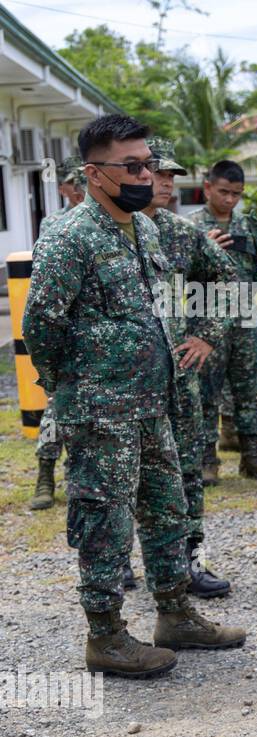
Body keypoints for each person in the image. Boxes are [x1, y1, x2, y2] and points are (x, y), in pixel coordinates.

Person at [24, 114, 247, 678]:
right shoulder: (70, 237)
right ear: (94, 173)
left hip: (158, 406)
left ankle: (174, 614)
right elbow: (41, 326)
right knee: (105, 520)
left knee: (166, 510)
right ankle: (106, 637)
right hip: (101, 414)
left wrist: (207, 333)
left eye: (148, 163)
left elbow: (227, 279)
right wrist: (74, 391)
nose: (147, 174)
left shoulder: (151, 230)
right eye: (133, 165)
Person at [143, 137, 242, 599]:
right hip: (120, 383)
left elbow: (229, 280)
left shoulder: (182, 233)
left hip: (178, 377)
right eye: (157, 173)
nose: (165, 183)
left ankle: (190, 562)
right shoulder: (97, 231)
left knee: (187, 469)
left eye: (170, 176)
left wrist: (206, 332)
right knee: (121, 476)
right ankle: (121, 564)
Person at [190, 159, 257, 485]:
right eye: (224, 192)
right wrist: (204, 250)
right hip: (205, 315)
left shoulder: (250, 225)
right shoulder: (190, 226)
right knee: (205, 390)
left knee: (247, 388)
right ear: (208, 186)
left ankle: (251, 455)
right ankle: (207, 460)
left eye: (236, 194)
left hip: (244, 315)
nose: (230, 200)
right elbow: (179, 273)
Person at [28, 157, 87, 511]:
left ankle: (80, 478)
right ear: (62, 188)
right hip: (65, 328)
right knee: (56, 408)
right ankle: (45, 474)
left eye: (83, 182)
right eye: (72, 184)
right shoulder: (54, 223)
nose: (79, 189)